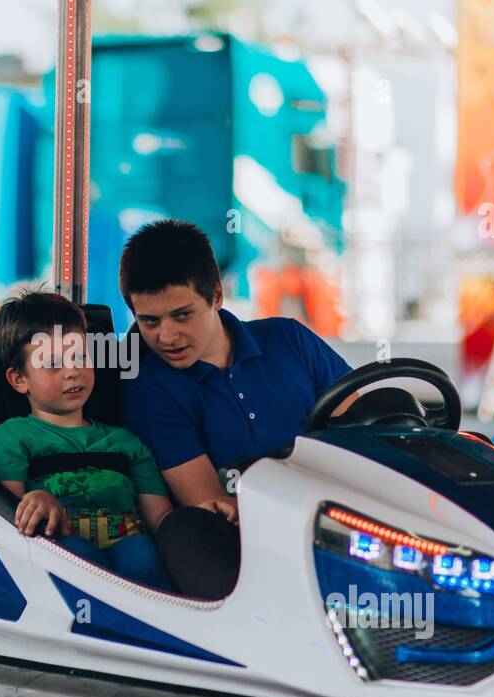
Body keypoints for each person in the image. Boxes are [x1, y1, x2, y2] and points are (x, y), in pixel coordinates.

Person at [119, 219, 356, 599]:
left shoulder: (289, 339)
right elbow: (210, 504)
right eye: (149, 321)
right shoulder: (150, 388)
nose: (167, 336)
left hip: (350, 518)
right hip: (262, 548)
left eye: (182, 315)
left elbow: (363, 427)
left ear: (216, 295)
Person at [0, 290, 176, 591]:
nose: (73, 371)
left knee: (140, 552)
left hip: (134, 555)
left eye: (80, 356)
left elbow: (162, 520)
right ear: (19, 379)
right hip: (52, 560)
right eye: (53, 364)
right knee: (75, 555)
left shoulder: (126, 443)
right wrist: (37, 500)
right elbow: (3, 515)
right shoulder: (11, 439)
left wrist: (199, 521)